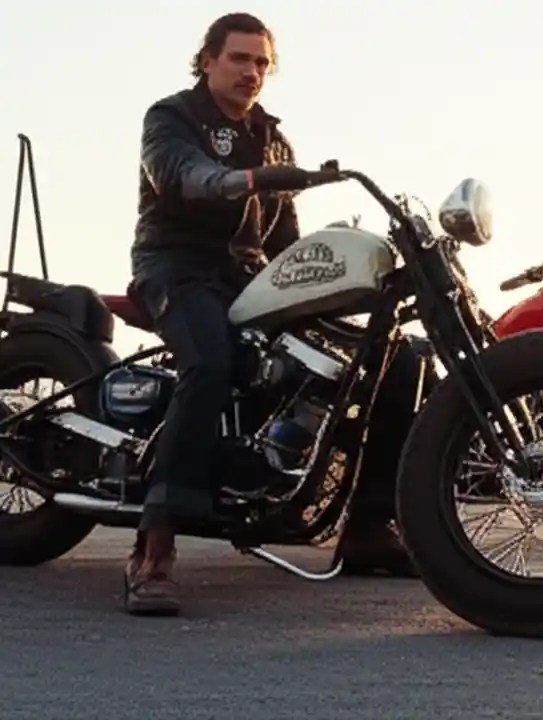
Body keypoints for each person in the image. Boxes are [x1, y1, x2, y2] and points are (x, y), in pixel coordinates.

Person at [126, 12, 418, 615]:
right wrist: (246, 179)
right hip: (176, 267)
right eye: (239, 58)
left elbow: (284, 243)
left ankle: (366, 527)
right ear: (207, 60)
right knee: (210, 363)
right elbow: (183, 178)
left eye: (262, 62)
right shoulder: (171, 118)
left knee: (393, 362)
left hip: (245, 278)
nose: (251, 72)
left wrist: (334, 276)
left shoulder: (274, 137)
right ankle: (153, 550)